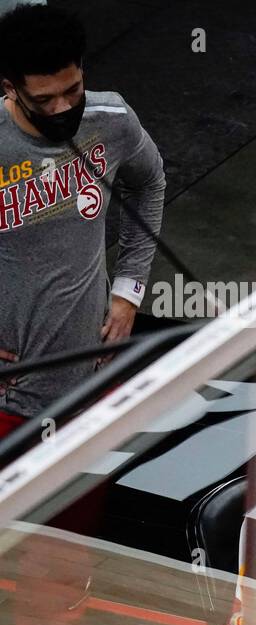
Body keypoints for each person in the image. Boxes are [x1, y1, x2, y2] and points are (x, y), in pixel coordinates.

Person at [0, 2, 165, 436]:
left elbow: (149, 183)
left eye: (71, 90)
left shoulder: (110, 120)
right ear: (10, 88)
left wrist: (129, 290)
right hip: (9, 402)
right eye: (43, 99)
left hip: (91, 388)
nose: (60, 108)